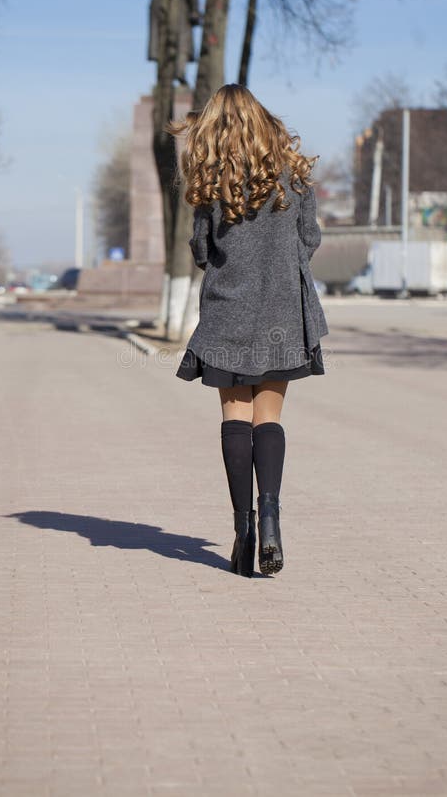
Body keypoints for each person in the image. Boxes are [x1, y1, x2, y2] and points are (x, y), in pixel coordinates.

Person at [169, 84, 329, 578]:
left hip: (228, 311)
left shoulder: (211, 183)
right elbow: (309, 240)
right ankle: (274, 520)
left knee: (234, 419)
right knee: (269, 419)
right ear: (263, 123)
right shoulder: (294, 177)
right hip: (284, 309)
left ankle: (244, 530)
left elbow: (200, 250)